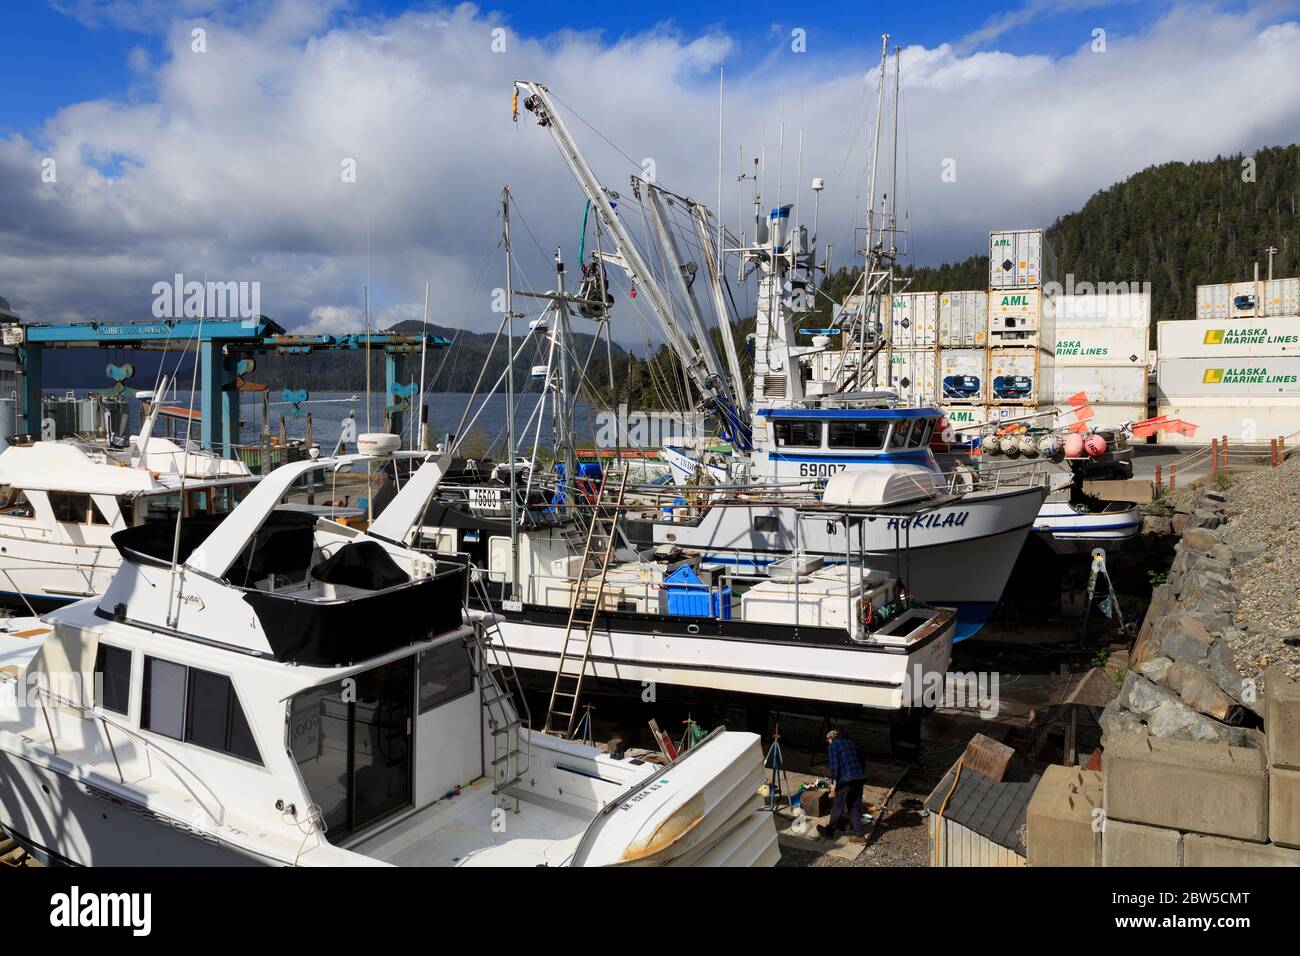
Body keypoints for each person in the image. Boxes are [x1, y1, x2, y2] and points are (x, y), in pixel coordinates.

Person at [817, 729, 867, 843]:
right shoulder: (853, 743)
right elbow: (862, 762)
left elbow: (835, 767)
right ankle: (860, 835)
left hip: (846, 780)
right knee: (854, 807)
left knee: (837, 806)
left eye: (828, 741)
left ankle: (829, 831)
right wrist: (859, 774)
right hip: (859, 778)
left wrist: (834, 785)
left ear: (830, 739)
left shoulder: (833, 746)